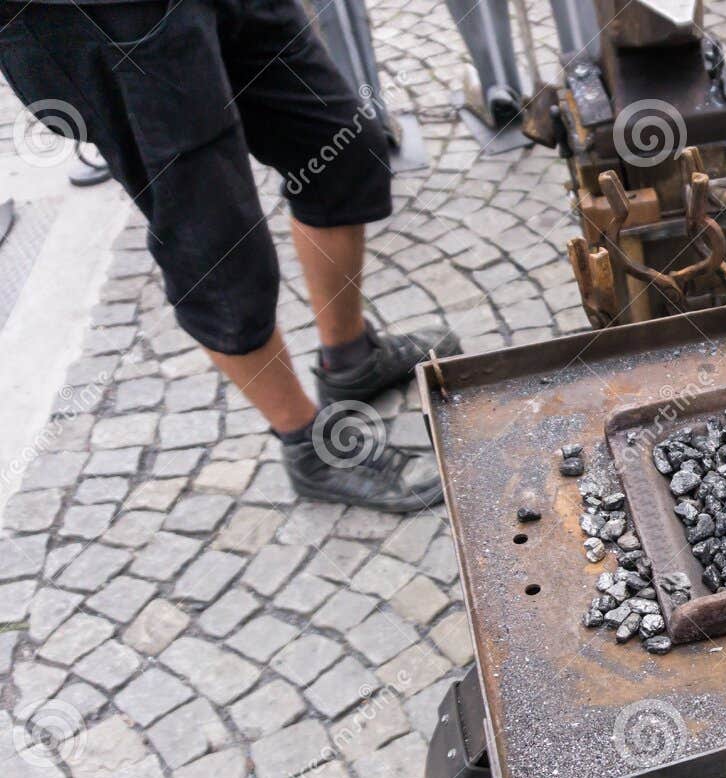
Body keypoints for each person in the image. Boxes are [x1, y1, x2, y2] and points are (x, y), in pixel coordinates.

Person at [0, 0, 459, 512]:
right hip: (97, 19)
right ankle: (309, 447)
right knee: (212, 244)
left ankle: (351, 360)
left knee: (340, 147)